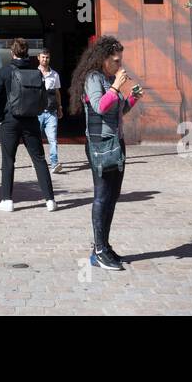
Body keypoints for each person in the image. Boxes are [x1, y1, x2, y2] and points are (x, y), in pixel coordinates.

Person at [71, 35, 142, 270]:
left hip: (115, 142)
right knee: (102, 195)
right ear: (103, 59)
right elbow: (99, 106)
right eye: (115, 60)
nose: (119, 65)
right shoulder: (93, 78)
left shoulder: (109, 78)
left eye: (120, 60)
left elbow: (115, 111)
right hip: (100, 144)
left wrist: (131, 98)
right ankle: (99, 249)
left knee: (112, 195)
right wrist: (115, 86)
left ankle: (103, 246)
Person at [0, 37, 56, 212]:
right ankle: (50, 200)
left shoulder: (5, 71)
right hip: (31, 120)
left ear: (12, 52)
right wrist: (37, 111)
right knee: (39, 160)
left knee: (8, 160)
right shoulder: (36, 72)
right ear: (28, 53)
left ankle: (7, 200)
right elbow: (44, 97)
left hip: (10, 120)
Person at [37, 49, 63, 173]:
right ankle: (37, 161)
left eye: (47, 57)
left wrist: (60, 108)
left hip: (51, 112)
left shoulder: (55, 75)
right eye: (43, 57)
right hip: (37, 112)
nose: (45, 59)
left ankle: (54, 163)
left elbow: (57, 93)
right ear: (38, 58)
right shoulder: (34, 73)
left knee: (53, 139)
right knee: (36, 139)